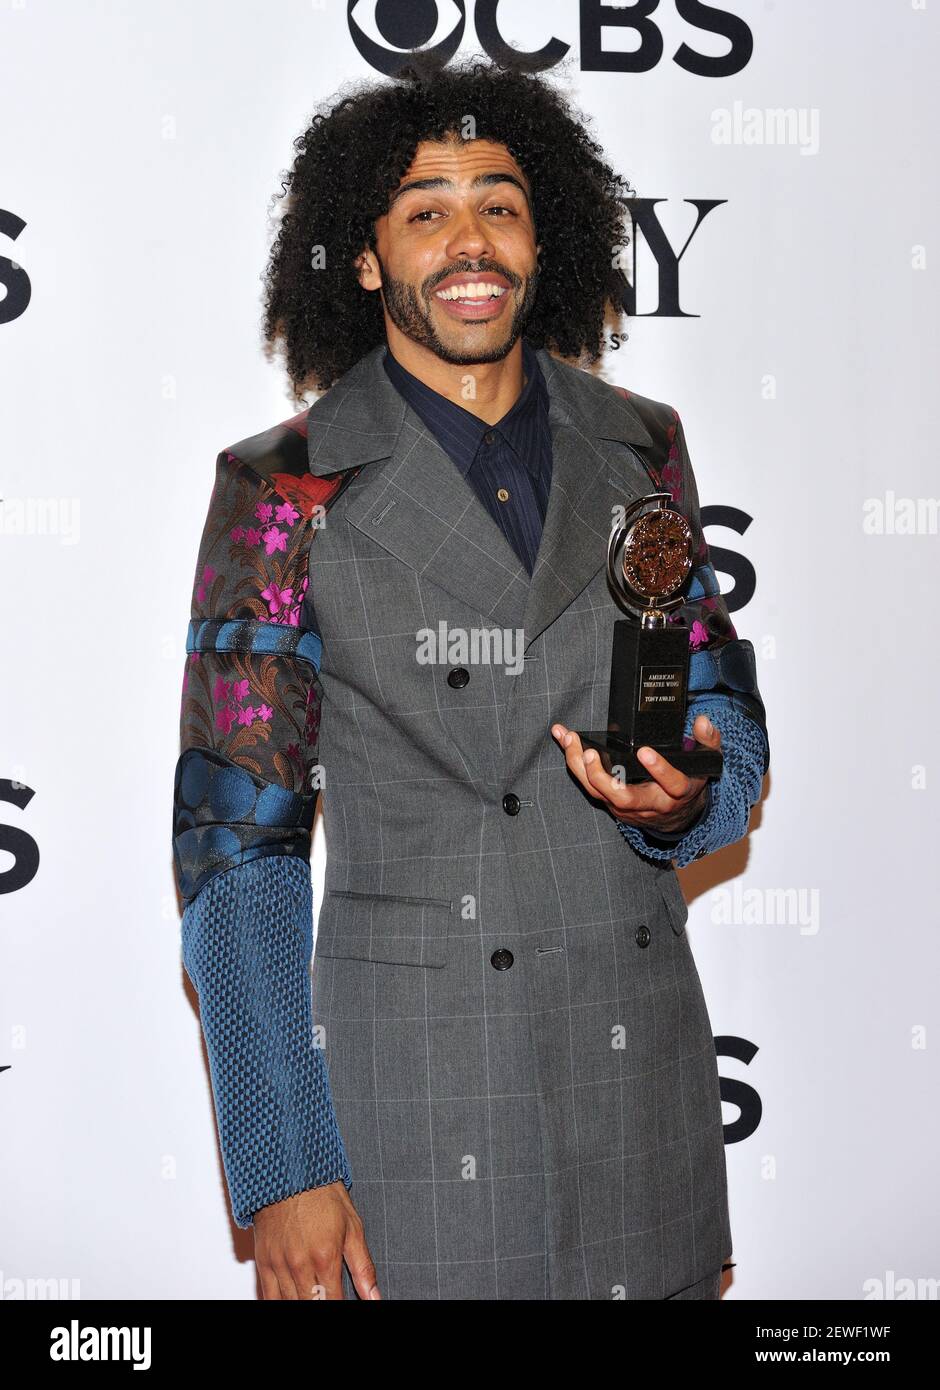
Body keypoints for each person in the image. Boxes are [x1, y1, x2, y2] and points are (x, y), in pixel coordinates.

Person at [172, 54, 769, 1301]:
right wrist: (285, 1164)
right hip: (415, 1090)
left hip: (637, 1076)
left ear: (543, 234)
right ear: (371, 255)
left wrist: (688, 792)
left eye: (498, 201)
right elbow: (238, 847)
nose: (468, 238)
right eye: (425, 209)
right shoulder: (287, 485)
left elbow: (711, 696)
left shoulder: (635, 441)